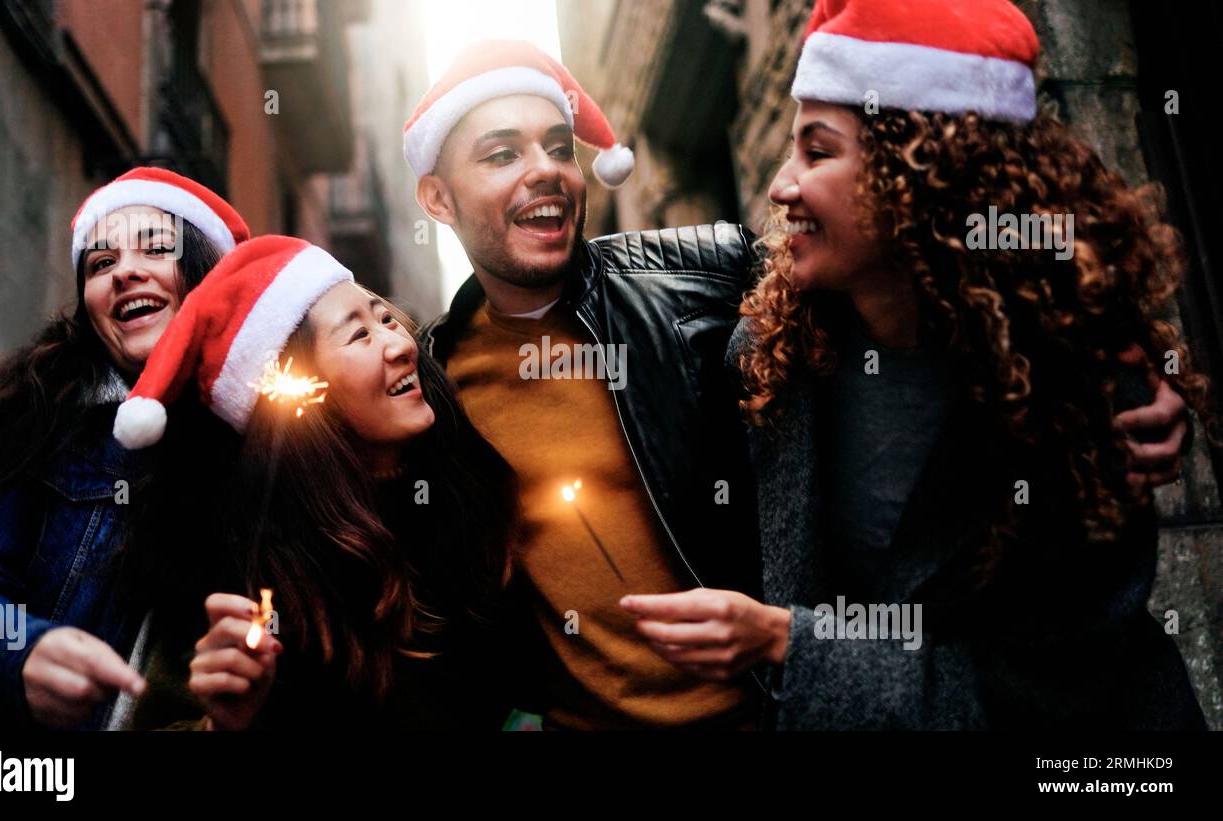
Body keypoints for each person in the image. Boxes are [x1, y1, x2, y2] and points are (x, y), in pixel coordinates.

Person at [406, 38, 1192, 730]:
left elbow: (950, 280)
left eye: (557, 146)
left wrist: (1143, 362)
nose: (544, 172)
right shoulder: (434, 389)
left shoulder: (709, 279)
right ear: (437, 198)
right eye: (502, 153)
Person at [619, 0, 1208, 730]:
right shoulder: (777, 354)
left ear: (920, 176)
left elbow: (1042, 693)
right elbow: (623, 284)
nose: (780, 185)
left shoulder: (1084, 394)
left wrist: (787, 645)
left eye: (818, 150)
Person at [109, 235, 520, 730]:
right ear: (306, 389)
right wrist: (222, 723)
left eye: (385, 319)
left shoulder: (471, 492)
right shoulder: (238, 572)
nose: (400, 345)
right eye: (359, 336)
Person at [0, 167, 249, 729]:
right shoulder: (28, 403)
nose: (124, 272)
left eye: (154, 249)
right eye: (101, 264)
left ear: (206, 273)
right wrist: (16, 655)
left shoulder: (260, 435)